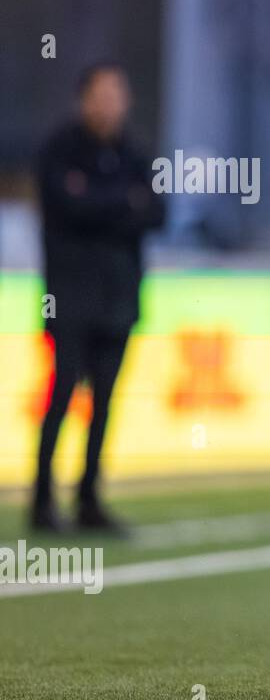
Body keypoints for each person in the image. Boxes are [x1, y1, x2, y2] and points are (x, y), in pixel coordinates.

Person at [32, 63, 165, 536]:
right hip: (69, 298)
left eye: (117, 94)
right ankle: (42, 500)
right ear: (83, 98)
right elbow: (70, 209)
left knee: (105, 401)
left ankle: (89, 497)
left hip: (118, 297)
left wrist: (104, 204)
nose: (110, 103)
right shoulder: (59, 149)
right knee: (62, 396)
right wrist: (122, 203)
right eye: (101, 93)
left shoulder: (134, 151)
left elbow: (156, 212)